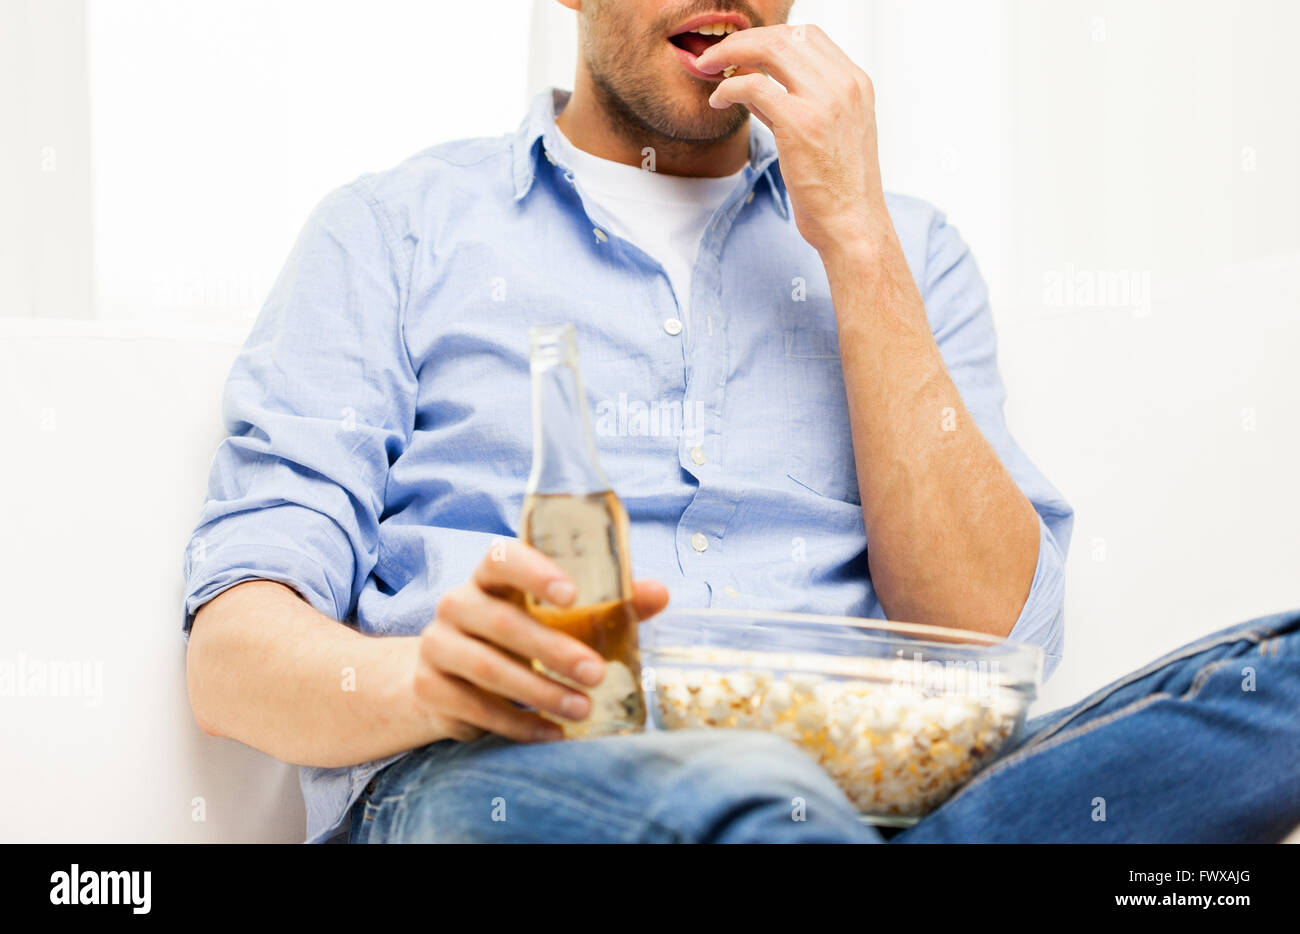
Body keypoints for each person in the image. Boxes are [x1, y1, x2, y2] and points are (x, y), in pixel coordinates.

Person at [182, 0, 1300, 843]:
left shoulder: (905, 247)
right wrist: (431, 680)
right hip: (504, 778)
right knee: (746, 800)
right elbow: (232, 663)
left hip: (884, 793)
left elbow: (995, 649)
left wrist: (855, 238)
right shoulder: (394, 233)